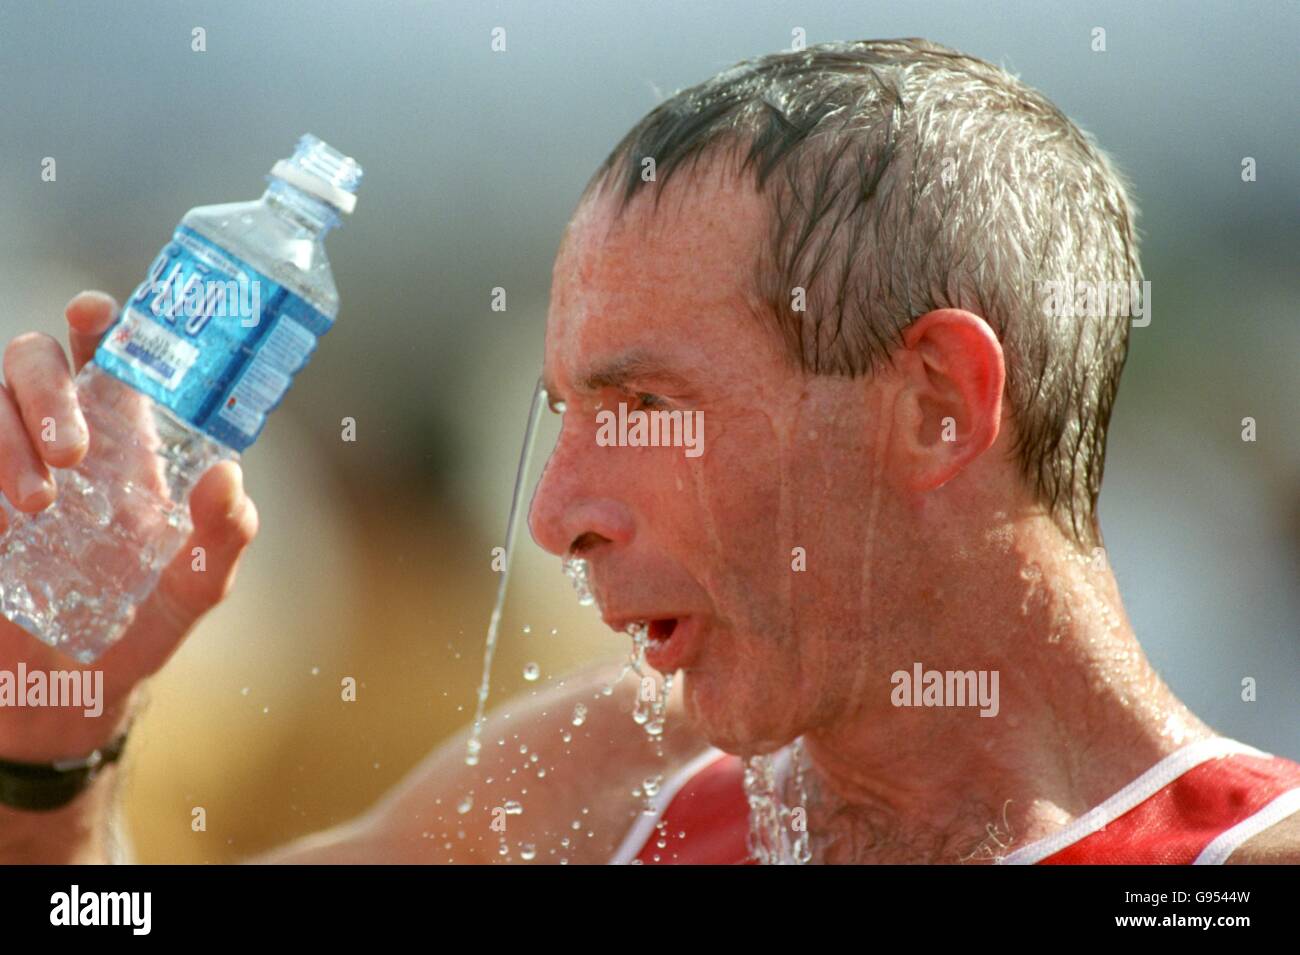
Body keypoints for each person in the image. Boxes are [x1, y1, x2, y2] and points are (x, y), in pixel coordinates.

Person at [1, 39, 1296, 865]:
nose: (556, 512)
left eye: (641, 409)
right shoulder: (610, 780)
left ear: (940, 403)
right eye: (561, 412)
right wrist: (54, 728)